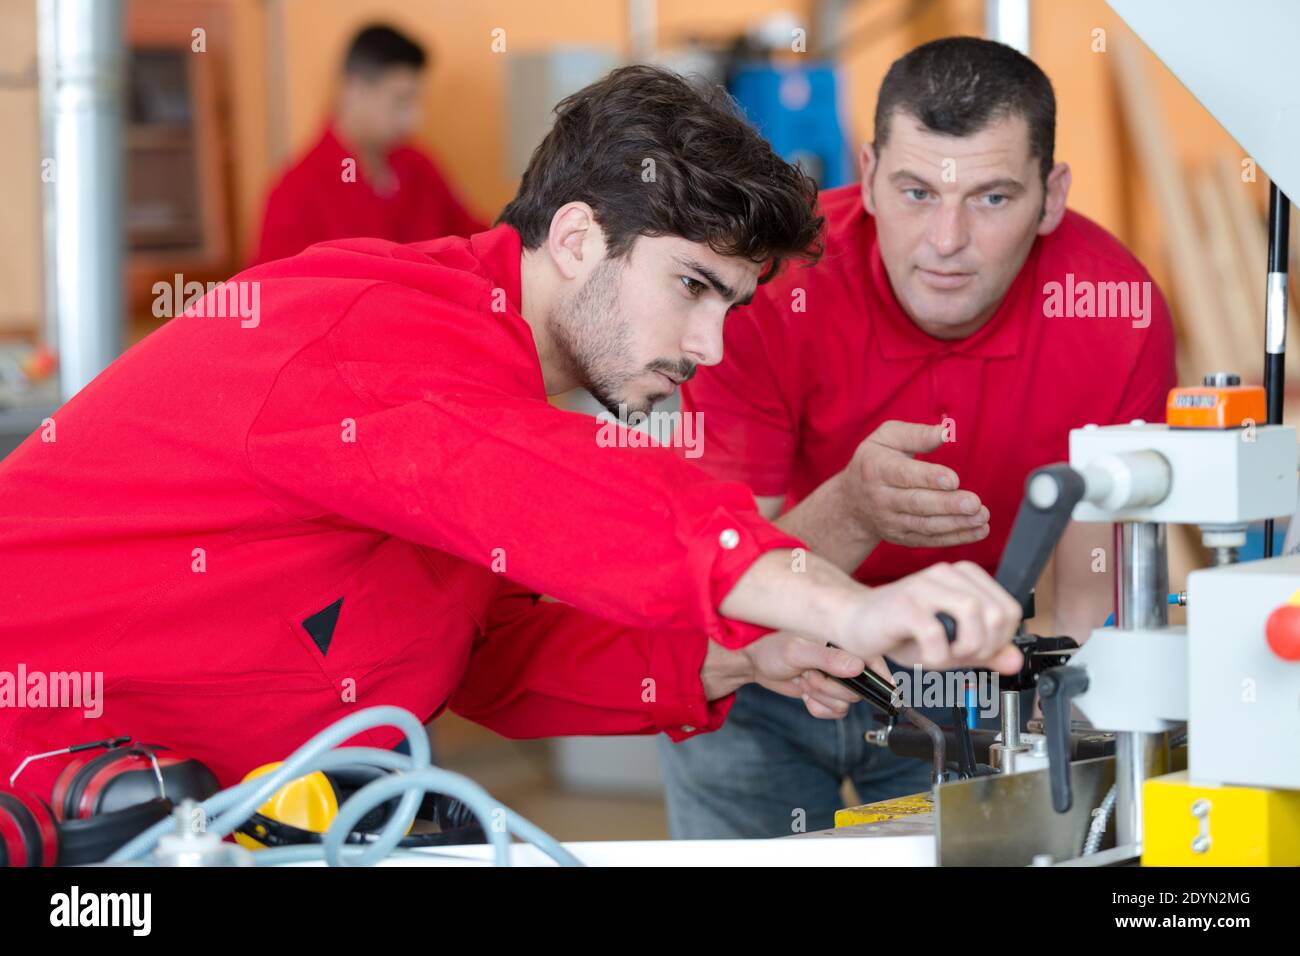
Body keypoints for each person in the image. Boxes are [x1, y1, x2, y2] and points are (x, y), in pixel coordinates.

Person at [0, 66, 1023, 795]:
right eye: (693, 287)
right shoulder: (383, 331)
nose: (711, 345)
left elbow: (492, 653)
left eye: (734, 305)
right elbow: (555, 489)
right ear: (577, 238)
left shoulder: (490, 382)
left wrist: (737, 658)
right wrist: (846, 605)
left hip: (198, 802)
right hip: (46, 783)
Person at [658, 37, 1177, 838]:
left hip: (971, 671)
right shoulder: (770, 287)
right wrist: (855, 510)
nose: (945, 241)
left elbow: (1085, 599)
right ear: (865, 176)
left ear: (1051, 196)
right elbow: (718, 578)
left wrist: (1053, 763)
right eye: (914, 192)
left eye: (993, 198)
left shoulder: (1111, 310)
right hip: (762, 670)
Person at [251, 24, 484, 266]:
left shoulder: (421, 167)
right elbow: (275, 294)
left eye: (416, 101)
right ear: (354, 90)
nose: (414, 119)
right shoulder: (295, 193)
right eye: (401, 101)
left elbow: (476, 241)